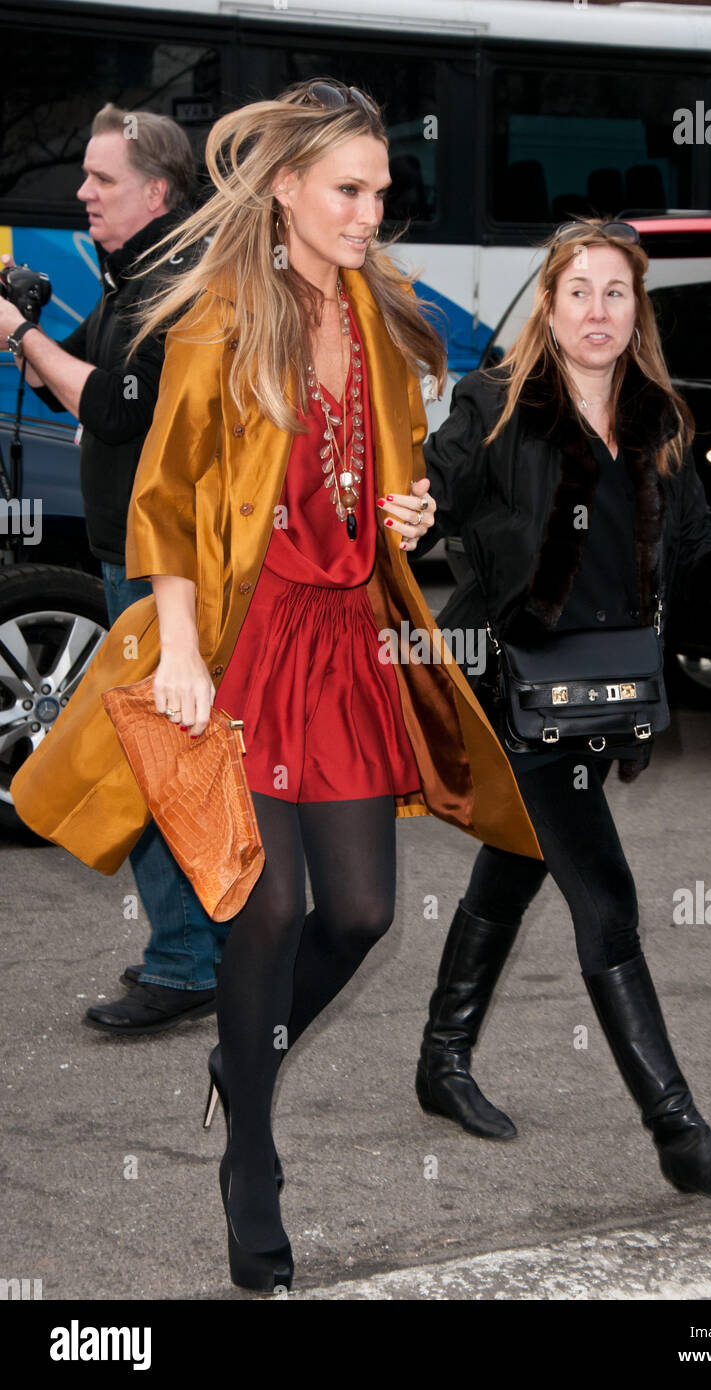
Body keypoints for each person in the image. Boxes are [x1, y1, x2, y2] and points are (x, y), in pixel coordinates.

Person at [10, 80, 545, 1291]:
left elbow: (388, 481)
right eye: (350, 191)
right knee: (266, 906)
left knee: (356, 913)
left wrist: (411, 510)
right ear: (288, 190)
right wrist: (184, 647)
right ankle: (251, 1154)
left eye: (379, 194)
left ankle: (242, 1058)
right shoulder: (217, 315)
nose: (370, 212)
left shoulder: (381, 310)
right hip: (245, 642)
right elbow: (165, 495)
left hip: (349, 638)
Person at [411, 217, 711, 1198]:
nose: (596, 310)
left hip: (604, 694)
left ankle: (440, 1057)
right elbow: (429, 496)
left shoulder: (657, 420)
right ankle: (677, 1133)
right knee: (605, 898)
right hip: (514, 687)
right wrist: (407, 507)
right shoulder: (494, 405)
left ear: (637, 309)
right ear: (548, 304)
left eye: (614, 293)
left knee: (517, 860)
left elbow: (700, 549)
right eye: (577, 291)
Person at [0, 103, 225, 1036]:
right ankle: (203, 952)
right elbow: (91, 357)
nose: (83, 193)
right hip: (132, 554)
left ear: (158, 191)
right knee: (164, 754)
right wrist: (36, 310)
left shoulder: (171, 283)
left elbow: (110, 401)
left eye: (101, 180)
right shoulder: (136, 273)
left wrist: (17, 337)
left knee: (154, 757)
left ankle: (186, 963)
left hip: (155, 561)